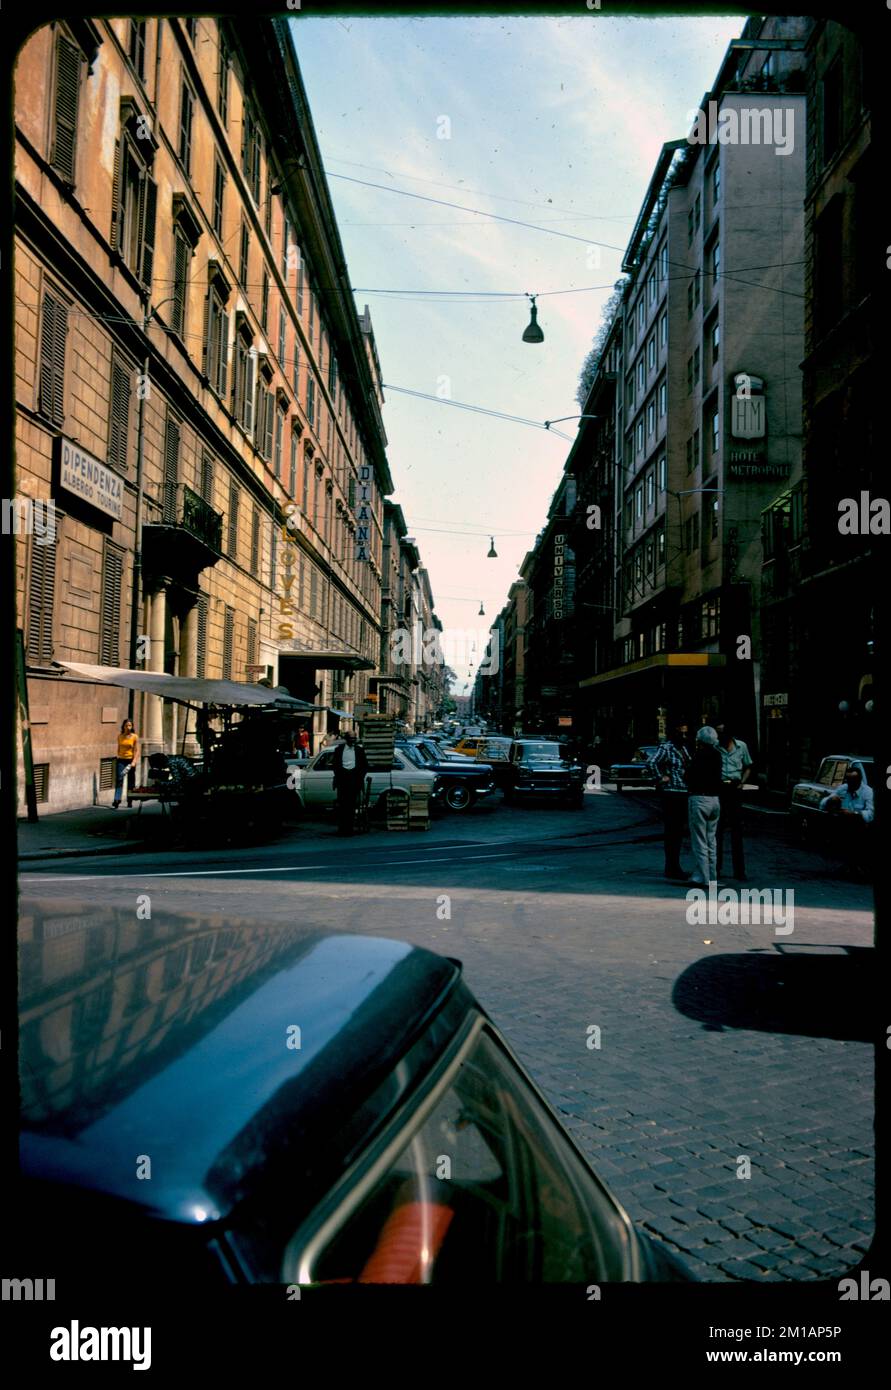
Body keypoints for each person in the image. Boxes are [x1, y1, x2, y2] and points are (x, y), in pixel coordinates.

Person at [650, 720, 691, 880]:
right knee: (672, 831)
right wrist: (661, 778)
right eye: (681, 733)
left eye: (685, 733)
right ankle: (671, 867)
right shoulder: (667, 748)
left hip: (683, 792)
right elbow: (651, 762)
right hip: (671, 792)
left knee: (678, 831)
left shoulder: (684, 749)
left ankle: (674, 866)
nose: (683, 736)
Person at [715, 723, 753, 880]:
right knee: (717, 830)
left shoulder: (741, 746)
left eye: (722, 733)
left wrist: (742, 782)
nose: (719, 736)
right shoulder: (715, 747)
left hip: (735, 788)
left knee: (736, 830)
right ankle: (716, 868)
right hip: (719, 788)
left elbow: (748, 766)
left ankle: (739, 871)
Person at [686, 726, 724, 885]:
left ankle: (704, 877)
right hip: (715, 799)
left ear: (699, 740)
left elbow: (688, 776)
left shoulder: (698, 756)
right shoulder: (718, 755)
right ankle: (713, 876)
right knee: (711, 840)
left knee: (699, 841)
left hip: (699, 799)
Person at [820, 765, 874, 873]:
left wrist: (854, 813)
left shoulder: (868, 792)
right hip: (842, 822)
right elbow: (822, 805)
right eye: (848, 780)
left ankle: (856, 865)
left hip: (859, 825)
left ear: (859, 781)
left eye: (852, 780)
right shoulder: (843, 788)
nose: (849, 783)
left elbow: (871, 814)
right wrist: (830, 800)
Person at [332, 730, 369, 835]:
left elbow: (365, 766)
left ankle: (349, 829)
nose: (353, 741)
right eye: (351, 739)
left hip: (354, 780)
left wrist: (359, 777)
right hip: (342, 780)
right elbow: (335, 765)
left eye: (354, 739)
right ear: (346, 739)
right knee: (342, 805)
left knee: (351, 806)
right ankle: (342, 828)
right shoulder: (339, 750)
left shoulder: (359, 750)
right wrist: (339, 775)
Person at [112, 718, 139, 809]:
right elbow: (119, 748)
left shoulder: (134, 736)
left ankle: (130, 800)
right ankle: (117, 799)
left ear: (132, 727)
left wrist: (134, 761)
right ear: (123, 726)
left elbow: (136, 750)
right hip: (121, 760)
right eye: (126, 725)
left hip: (130, 761)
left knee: (131, 781)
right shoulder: (120, 736)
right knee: (119, 779)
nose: (128, 727)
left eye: (130, 725)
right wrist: (118, 756)